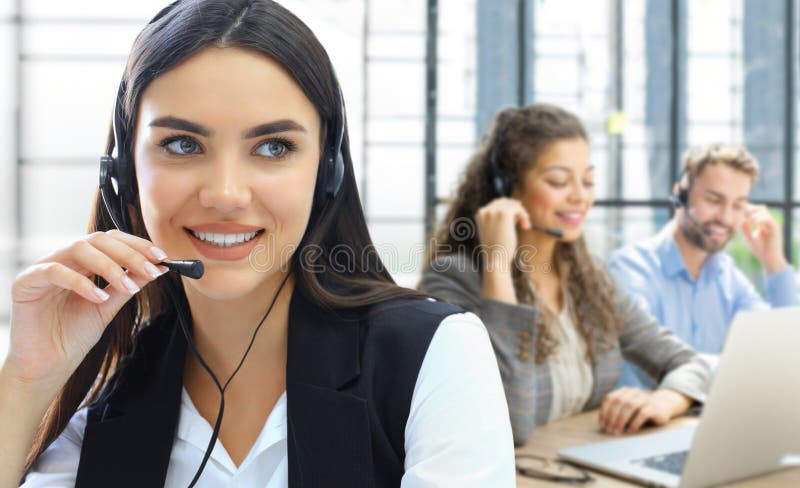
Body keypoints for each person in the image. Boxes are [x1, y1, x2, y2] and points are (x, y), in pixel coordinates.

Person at [0, 1, 515, 486]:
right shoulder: (109, 392)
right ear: (124, 173)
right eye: (182, 145)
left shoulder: (434, 356)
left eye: (273, 147)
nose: (226, 194)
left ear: (327, 171)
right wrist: (27, 379)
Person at [418, 103, 711, 446]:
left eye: (588, 180)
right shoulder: (453, 279)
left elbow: (690, 364)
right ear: (505, 187)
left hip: (582, 466)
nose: (580, 196)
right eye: (558, 181)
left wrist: (663, 401)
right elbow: (509, 422)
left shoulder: (588, 277)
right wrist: (497, 264)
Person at [608, 143, 800, 389]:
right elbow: (654, 362)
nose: (726, 218)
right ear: (680, 195)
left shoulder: (728, 277)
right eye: (714, 200)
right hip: (647, 424)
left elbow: (787, 349)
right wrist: (743, 370)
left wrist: (774, 263)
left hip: (707, 421)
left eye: (738, 205)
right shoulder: (631, 269)